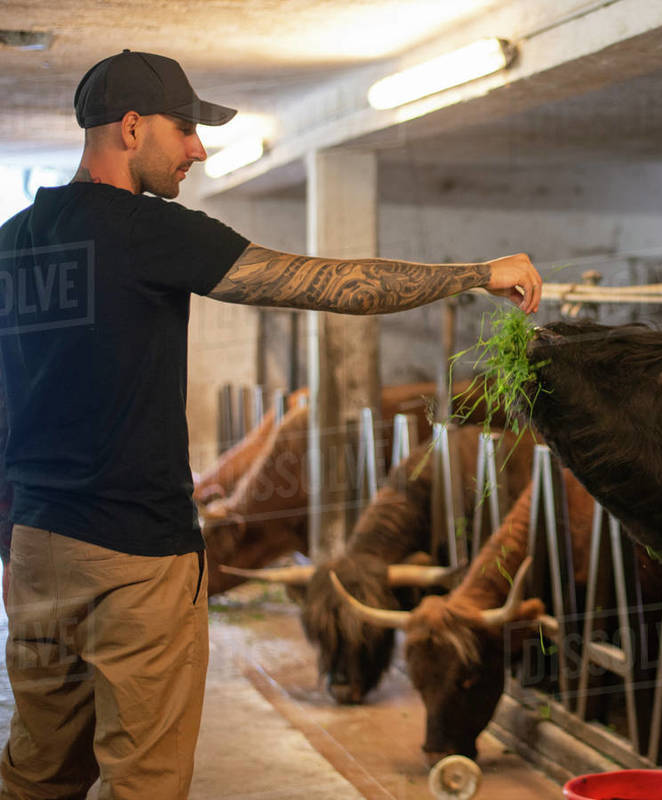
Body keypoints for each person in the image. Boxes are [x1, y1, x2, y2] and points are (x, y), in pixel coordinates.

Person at [0, 50, 542, 800]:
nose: (197, 149)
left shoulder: (13, 242)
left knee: (37, 772)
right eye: (184, 129)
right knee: (144, 782)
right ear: (131, 128)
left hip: (35, 554)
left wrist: (17, 534)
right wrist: (476, 275)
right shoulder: (149, 231)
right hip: (136, 557)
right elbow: (327, 284)